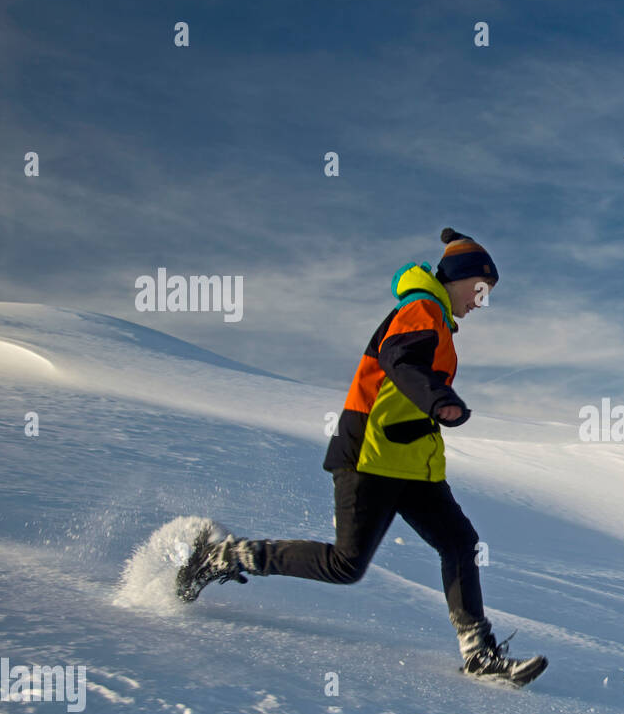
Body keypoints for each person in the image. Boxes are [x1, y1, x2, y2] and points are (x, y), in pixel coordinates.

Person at [175, 227, 547, 686]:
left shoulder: (436, 318)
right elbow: (400, 360)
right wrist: (438, 399)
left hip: (412, 464)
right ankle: (224, 556)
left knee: (459, 542)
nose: (479, 302)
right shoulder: (421, 308)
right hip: (370, 456)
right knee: (345, 565)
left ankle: (479, 653)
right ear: (457, 279)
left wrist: (433, 407)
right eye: (479, 290)